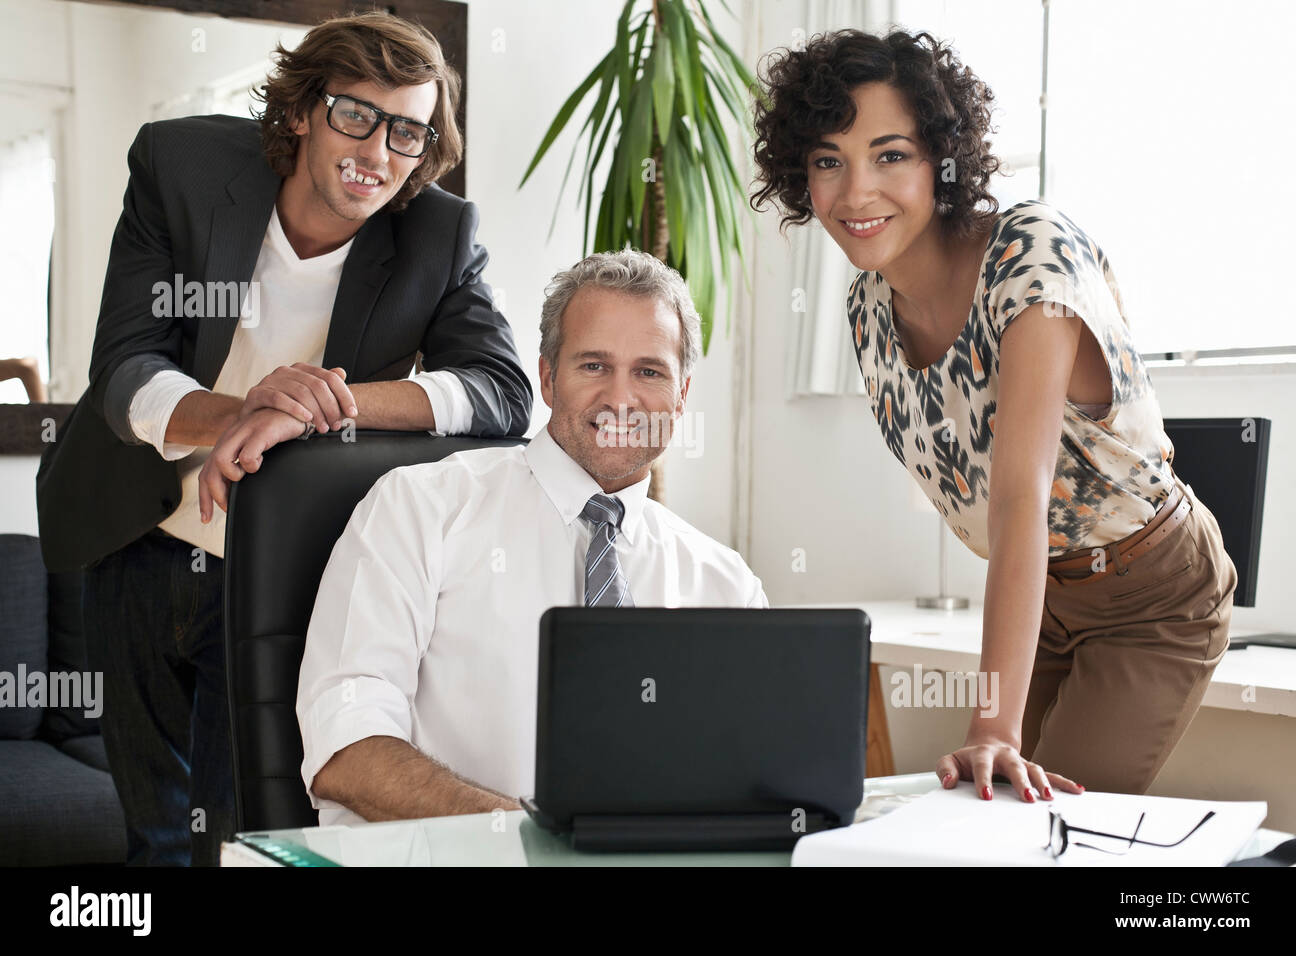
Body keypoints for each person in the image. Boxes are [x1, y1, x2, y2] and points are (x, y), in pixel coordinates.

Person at [36, 11, 531, 865]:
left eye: (407, 131)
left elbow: (500, 393)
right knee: (152, 825)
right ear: (303, 109)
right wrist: (244, 409)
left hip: (277, 564)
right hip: (136, 534)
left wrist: (316, 406)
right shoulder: (181, 167)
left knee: (245, 827)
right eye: (355, 115)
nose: (377, 151)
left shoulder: (439, 235)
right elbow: (124, 367)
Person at [750, 29, 1237, 800]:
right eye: (827, 161)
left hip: (1150, 596)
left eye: (891, 155)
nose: (855, 193)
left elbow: (1019, 497)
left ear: (941, 157)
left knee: (1037, 825)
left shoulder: (1029, 254)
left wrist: (993, 726)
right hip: (1041, 600)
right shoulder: (867, 306)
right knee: (981, 818)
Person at [297, 250, 768, 824]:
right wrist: (528, 840)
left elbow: (748, 777)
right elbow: (345, 749)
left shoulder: (726, 587)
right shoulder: (420, 509)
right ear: (547, 378)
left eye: (649, 371)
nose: (621, 399)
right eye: (594, 366)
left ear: (682, 395)